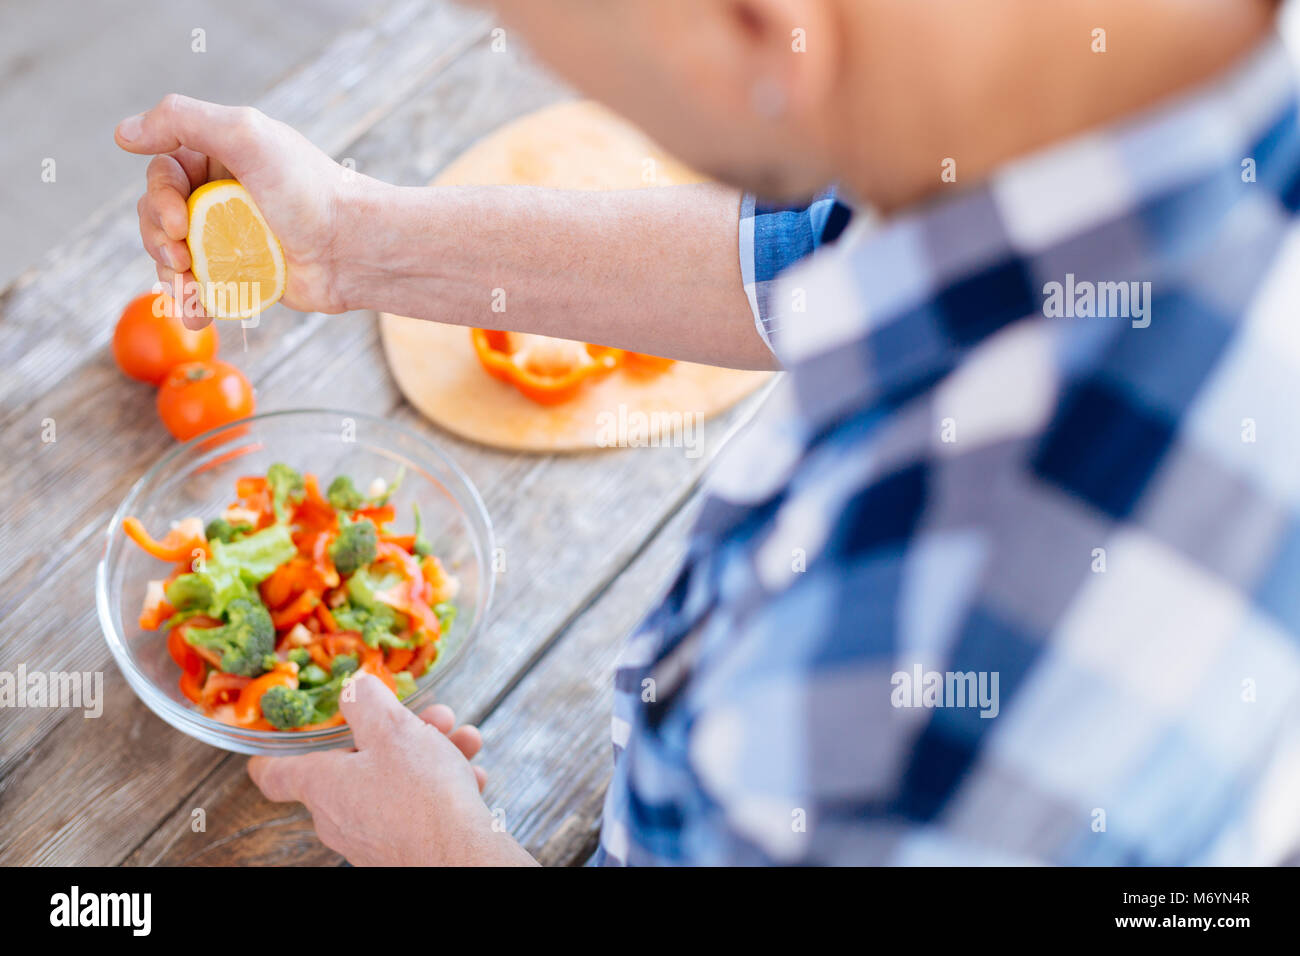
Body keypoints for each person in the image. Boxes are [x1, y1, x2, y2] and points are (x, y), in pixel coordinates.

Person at [117, 0, 1300, 865]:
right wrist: (350, 238)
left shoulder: (887, 711)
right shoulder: (1088, 106)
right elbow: (808, 256)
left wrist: (447, 848)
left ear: (758, 25)